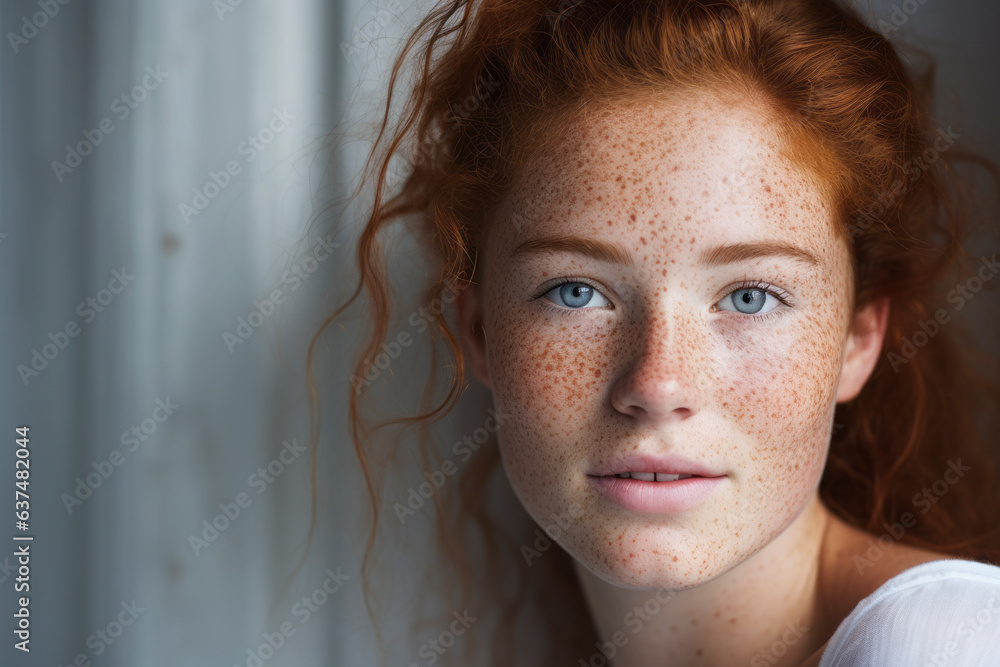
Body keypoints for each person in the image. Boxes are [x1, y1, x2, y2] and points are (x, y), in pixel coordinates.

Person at [307, 1, 1000, 664]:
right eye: (575, 292)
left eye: (751, 295)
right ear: (479, 328)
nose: (657, 384)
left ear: (859, 339)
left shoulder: (942, 645)